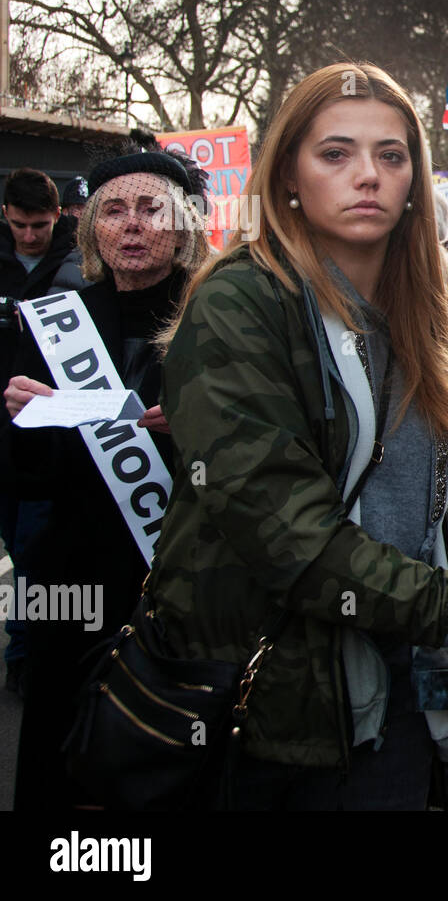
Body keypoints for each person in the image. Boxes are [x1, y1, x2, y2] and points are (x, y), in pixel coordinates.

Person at [146, 62, 448, 811]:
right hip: (266, 715)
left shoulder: (428, 319)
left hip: (394, 704)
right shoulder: (241, 304)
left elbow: (393, 520)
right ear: (287, 180)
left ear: (414, 181)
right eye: (335, 153)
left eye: (391, 155)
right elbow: (290, 536)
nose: (367, 175)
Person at [2, 147, 210, 809]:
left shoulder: (217, 317)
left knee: (168, 754)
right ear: (91, 226)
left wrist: (195, 430)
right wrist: (23, 421)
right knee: (61, 749)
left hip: (179, 573)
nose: (132, 225)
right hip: (72, 577)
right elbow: (25, 477)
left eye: (151, 209)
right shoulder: (56, 321)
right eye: (113, 210)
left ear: (182, 225)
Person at [1, 168, 88, 695]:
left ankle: (24, 651)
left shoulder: (79, 265)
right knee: (17, 542)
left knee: (32, 551)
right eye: (18, 225)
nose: (29, 235)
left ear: (57, 217)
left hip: (48, 432)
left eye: (38, 225)